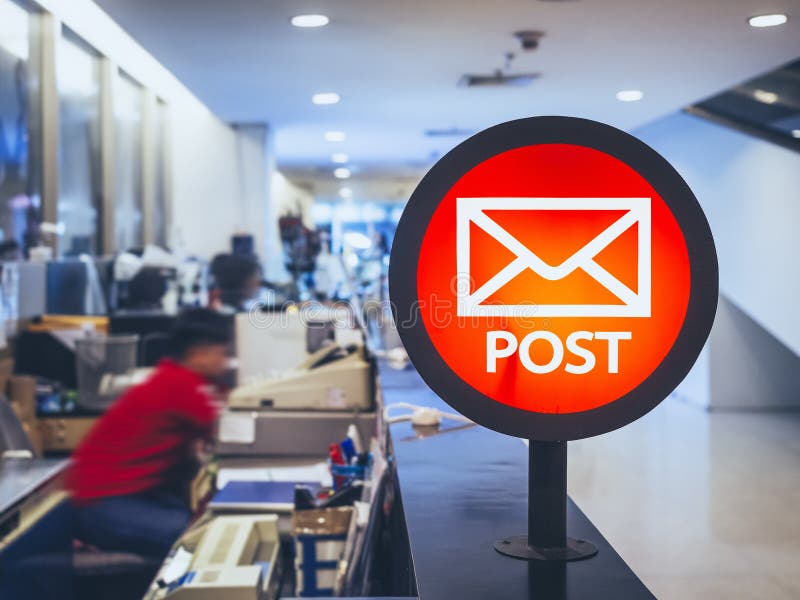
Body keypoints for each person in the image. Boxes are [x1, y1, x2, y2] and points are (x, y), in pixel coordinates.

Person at [68, 308, 233, 558]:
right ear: (200, 353)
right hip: (103, 505)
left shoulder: (173, 376)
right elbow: (229, 432)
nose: (227, 362)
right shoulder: (182, 387)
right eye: (223, 354)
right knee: (200, 539)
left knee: (199, 518)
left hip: (117, 496)